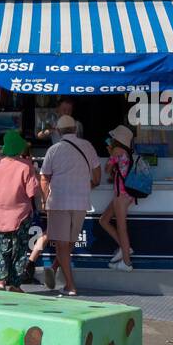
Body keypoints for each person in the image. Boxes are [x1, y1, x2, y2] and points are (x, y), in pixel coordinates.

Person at [38, 115, 100, 296]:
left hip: (58, 202)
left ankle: (70, 286)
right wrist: (87, 185)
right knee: (69, 243)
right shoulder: (88, 146)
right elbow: (97, 176)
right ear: (75, 129)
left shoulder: (54, 149)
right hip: (80, 202)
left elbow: (44, 178)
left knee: (62, 245)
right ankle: (55, 268)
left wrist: (43, 199)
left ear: (58, 131)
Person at [0, 130, 40, 292]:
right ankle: (15, 284)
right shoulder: (25, 167)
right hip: (20, 216)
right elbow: (32, 191)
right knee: (19, 249)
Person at [98, 125, 135, 272]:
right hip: (125, 194)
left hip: (121, 195)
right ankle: (125, 248)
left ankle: (126, 263)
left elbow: (107, 169)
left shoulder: (117, 151)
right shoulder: (126, 152)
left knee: (121, 228)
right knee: (104, 220)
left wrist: (109, 153)